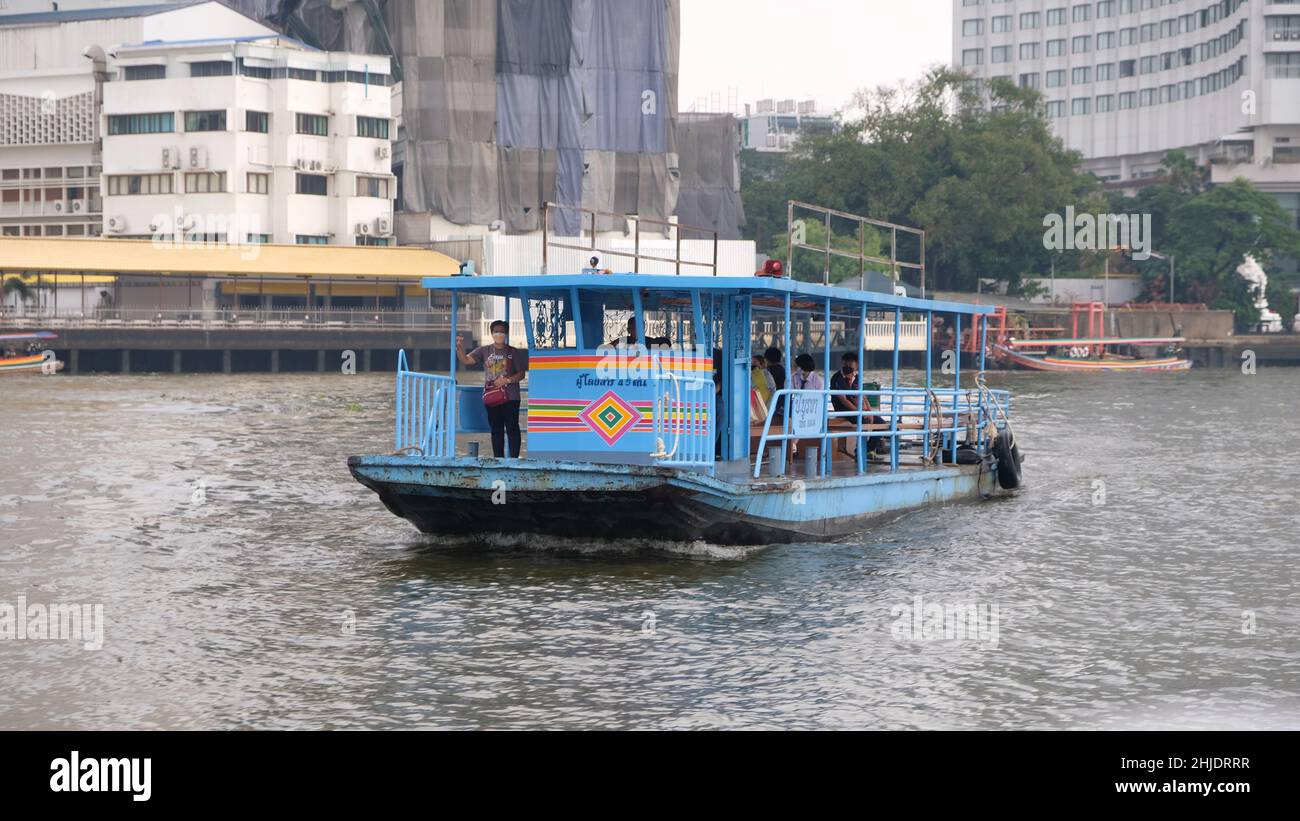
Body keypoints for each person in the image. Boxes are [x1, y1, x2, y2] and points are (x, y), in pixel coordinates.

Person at [457, 321, 528, 459]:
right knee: (496, 429)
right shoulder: (484, 350)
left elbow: (521, 374)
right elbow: (466, 360)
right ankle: (498, 459)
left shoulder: (513, 352)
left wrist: (507, 380)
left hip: (511, 397)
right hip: (492, 397)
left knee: (512, 428)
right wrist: (459, 348)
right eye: (496, 331)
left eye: (501, 331)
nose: (499, 334)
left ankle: (514, 460)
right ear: (491, 333)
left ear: (506, 333)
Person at [764, 347, 786, 421]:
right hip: (782, 401)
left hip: (773, 401)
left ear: (766, 359)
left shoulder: (769, 371)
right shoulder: (782, 369)